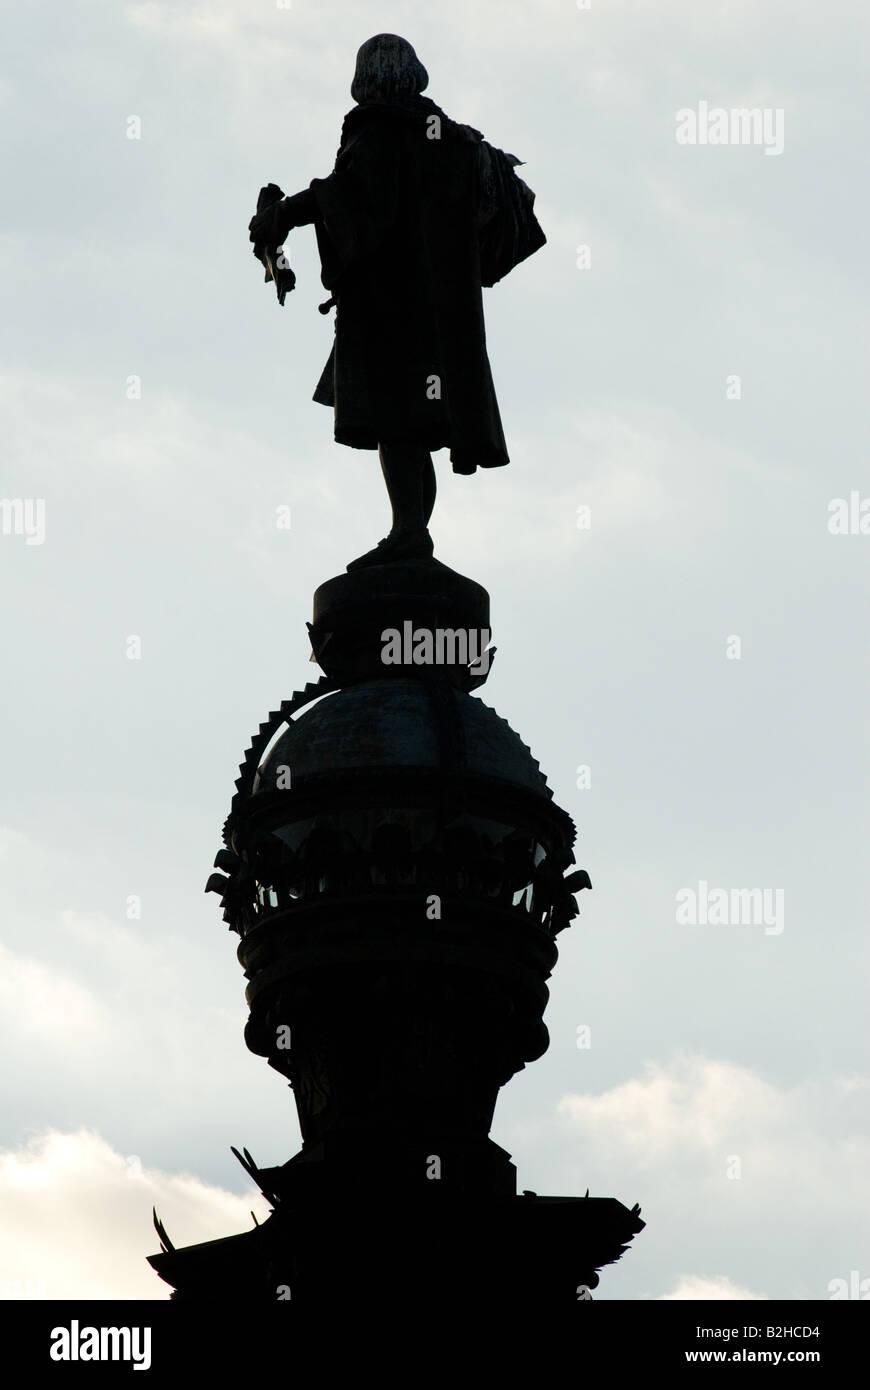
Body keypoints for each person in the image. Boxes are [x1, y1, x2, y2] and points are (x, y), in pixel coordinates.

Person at [248, 33, 545, 571]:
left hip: (390, 312)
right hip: (438, 317)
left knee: (396, 426)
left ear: (369, 76)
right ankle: (411, 532)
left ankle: (409, 532)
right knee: (411, 428)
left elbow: (353, 195)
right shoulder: (446, 138)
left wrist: (282, 215)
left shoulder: (383, 127)